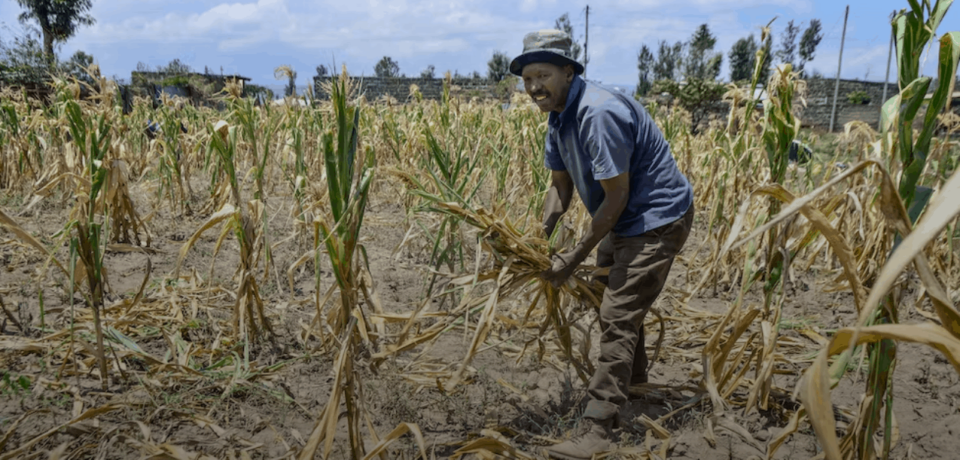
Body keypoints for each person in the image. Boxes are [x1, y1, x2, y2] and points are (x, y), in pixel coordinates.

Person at [509, 30, 694, 460]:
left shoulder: (598, 114)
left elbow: (616, 196)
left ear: (568, 72)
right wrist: (538, 239)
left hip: (656, 218)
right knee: (613, 305)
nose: (534, 86)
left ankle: (599, 428)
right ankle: (637, 391)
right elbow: (560, 188)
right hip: (623, 219)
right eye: (527, 78)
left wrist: (573, 257)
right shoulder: (557, 117)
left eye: (544, 74)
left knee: (617, 313)